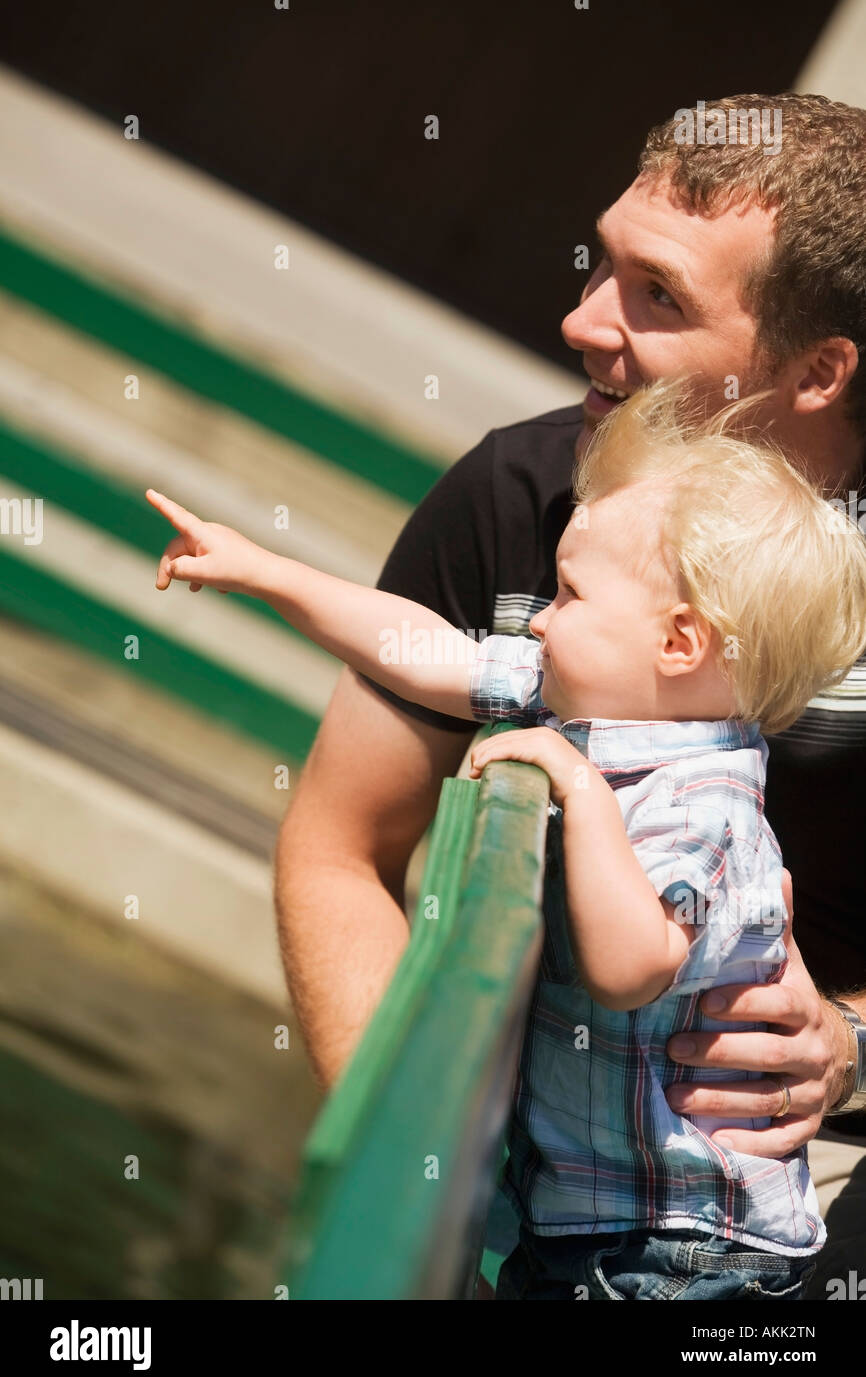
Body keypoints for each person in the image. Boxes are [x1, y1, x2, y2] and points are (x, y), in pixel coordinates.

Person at [274, 92, 866, 1297]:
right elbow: (338, 847)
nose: (582, 318)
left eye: (658, 295)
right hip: (565, 1208)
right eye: (605, 262)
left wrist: (849, 1042)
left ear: (819, 371)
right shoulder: (516, 492)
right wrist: (426, 1176)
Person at [143, 374, 866, 1298]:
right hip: (586, 1214)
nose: (543, 614)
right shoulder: (589, 693)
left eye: (567, 594)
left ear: (680, 641)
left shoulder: (709, 805)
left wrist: (577, 789)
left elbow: (630, 963)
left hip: (686, 1251)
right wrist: (265, 572)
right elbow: (424, 650)